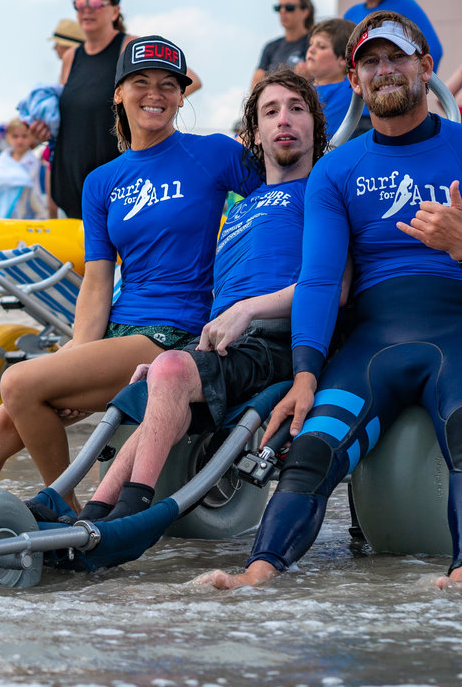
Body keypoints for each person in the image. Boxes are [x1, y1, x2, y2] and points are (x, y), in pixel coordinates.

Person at [199, 12, 462, 590]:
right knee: (313, 448)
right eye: (371, 61)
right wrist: (305, 376)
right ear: (354, 80)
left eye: (397, 57)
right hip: (375, 342)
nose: (385, 70)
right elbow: (320, 281)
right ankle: (257, 574)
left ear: (425, 67)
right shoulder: (337, 171)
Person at [0, 36, 257, 497]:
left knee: (18, 382)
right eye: (142, 82)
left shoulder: (213, 153)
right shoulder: (102, 181)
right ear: (119, 93)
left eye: (169, 85)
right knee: (3, 420)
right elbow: (96, 280)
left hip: (175, 334)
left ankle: (62, 510)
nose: (155, 94)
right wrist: (79, 354)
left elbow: (282, 198)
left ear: (181, 96)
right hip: (117, 331)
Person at [79, 70, 331, 521]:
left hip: (279, 340)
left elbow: (332, 284)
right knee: (161, 377)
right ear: (255, 134)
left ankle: (133, 512)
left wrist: (245, 312)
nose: (284, 119)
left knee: (170, 369)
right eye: (270, 112)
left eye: (297, 109)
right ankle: (96, 511)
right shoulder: (242, 207)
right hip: (226, 348)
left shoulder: (322, 192)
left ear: (315, 125)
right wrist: (183, 359)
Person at [28, 0, 199, 219]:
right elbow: (70, 116)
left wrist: (149, 109)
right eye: (80, 3)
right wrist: (43, 130)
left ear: (115, 11)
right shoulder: (71, 57)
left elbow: (190, 79)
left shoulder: (129, 47)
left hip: (120, 189)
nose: (87, 9)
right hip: (71, 185)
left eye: (96, 2)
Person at [298, 17, 356, 135]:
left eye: (321, 46)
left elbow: (327, 135)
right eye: (311, 44)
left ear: (343, 59)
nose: (311, 50)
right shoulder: (301, 88)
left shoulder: (347, 90)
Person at [251, 0, 314, 90]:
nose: (283, 11)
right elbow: (256, 84)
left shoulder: (315, 44)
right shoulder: (270, 47)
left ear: (305, 12)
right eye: (279, 7)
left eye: (289, 7)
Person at [0, 118, 45, 219]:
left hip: (24, 216)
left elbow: (36, 191)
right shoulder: (2, 159)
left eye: (24, 136)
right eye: (15, 136)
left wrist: (41, 215)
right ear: (8, 137)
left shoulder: (33, 162)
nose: (20, 140)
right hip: (0, 216)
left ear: (31, 137)